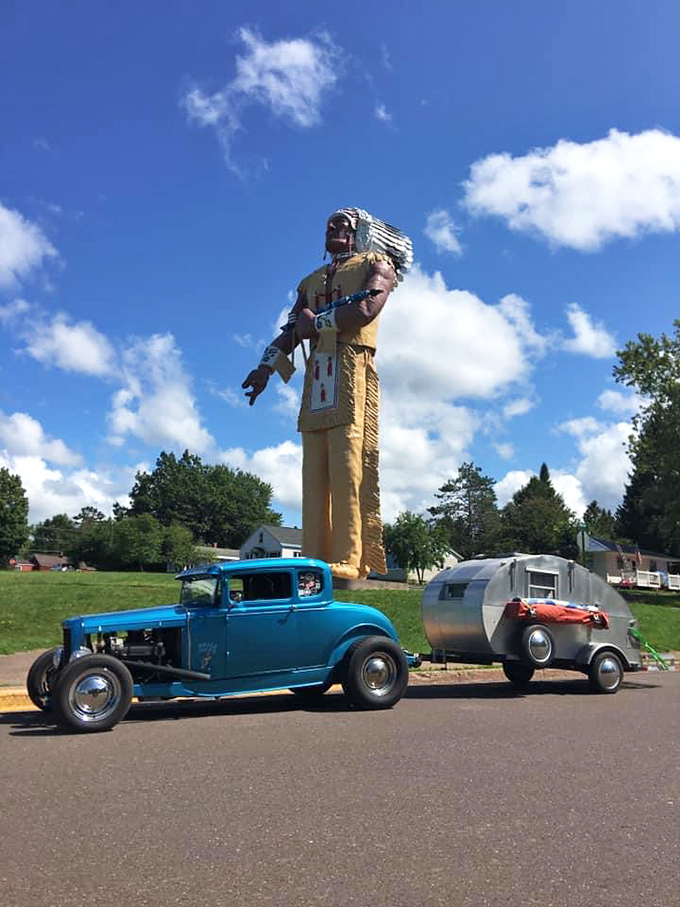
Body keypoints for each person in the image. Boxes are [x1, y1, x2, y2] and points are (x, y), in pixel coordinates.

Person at [242, 208, 412, 580]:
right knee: (313, 470)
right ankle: (314, 557)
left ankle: (350, 558)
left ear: (359, 231)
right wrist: (264, 368)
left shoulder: (377, 264)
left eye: (342, 225)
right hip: (318, 374)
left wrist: (316, 323)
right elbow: (291, 331)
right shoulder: (311, 281)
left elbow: (365, 309)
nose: (333, 229)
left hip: (351, 367)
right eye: (329, 225)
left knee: (347, 464)